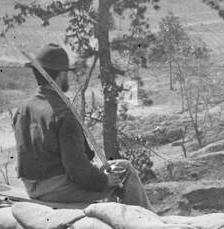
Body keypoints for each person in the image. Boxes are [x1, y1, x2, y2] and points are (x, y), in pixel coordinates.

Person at [13, 43, 151, 208]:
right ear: (60, 75)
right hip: (57, 190)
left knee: (110, 171)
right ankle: (147, 225)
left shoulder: (23, 108)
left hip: (32, 188)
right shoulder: (63, 113)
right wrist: (104, 180)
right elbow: (77, 170)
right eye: (66, 73)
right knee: (125, 170)